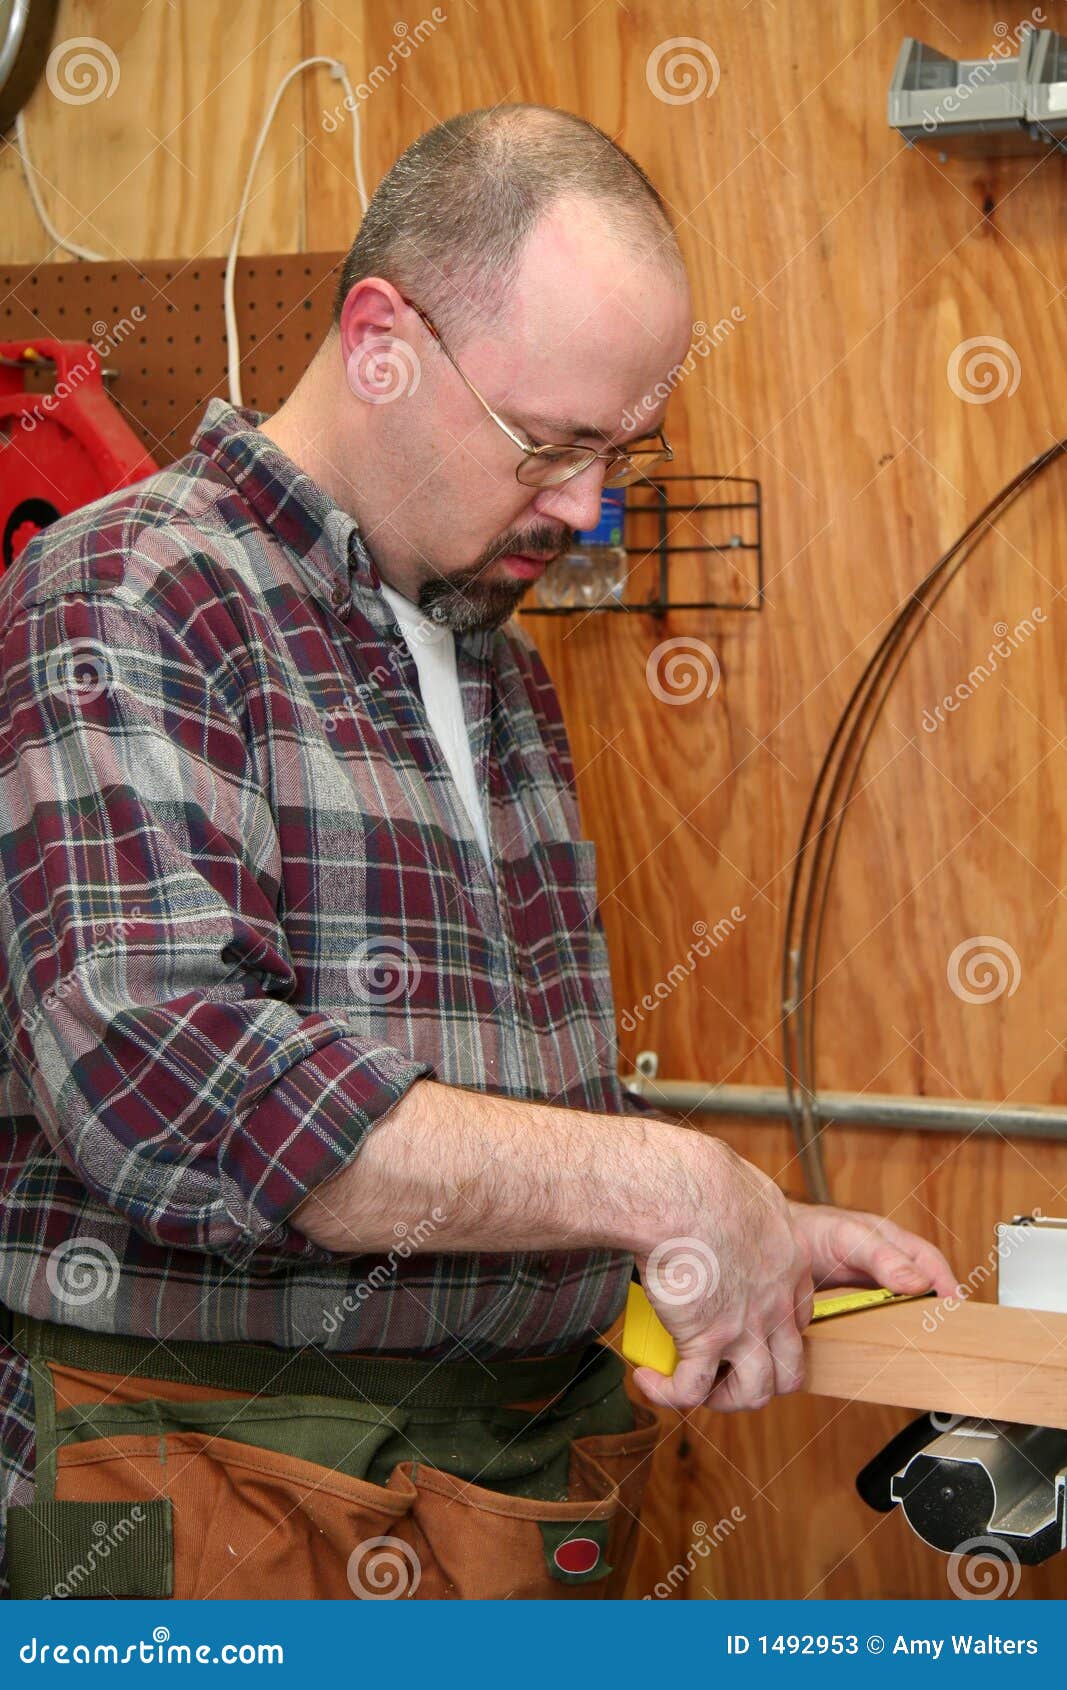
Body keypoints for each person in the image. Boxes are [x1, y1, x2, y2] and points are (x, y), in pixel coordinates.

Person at [0, 104, 955, 1601]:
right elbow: (163, 1078)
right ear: (381, 340)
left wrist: (737, 1226)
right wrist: (660, 1179)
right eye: (550, 443)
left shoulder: (490, 653)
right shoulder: (131, 591)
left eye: (617, 452)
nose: (583, 505)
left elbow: (504, 1116)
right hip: (215, 1487)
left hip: (501, 1483)